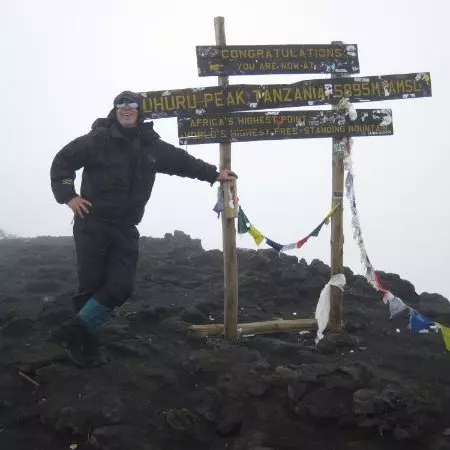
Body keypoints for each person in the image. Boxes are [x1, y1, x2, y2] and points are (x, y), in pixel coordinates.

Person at [49, 91, 236, 367]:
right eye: (121, 104)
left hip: (125, 227)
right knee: (90, 286)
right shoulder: (97, 140)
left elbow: (183, 163)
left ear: (140, 111)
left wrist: (214, 174)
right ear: (115, 110)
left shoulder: (151, 146)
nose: (126, 108)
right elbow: (62, 161)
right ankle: (83, 344)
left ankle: (70, 332)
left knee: (120, 287)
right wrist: (69, 196)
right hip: (93, 223)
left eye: (132, 104)